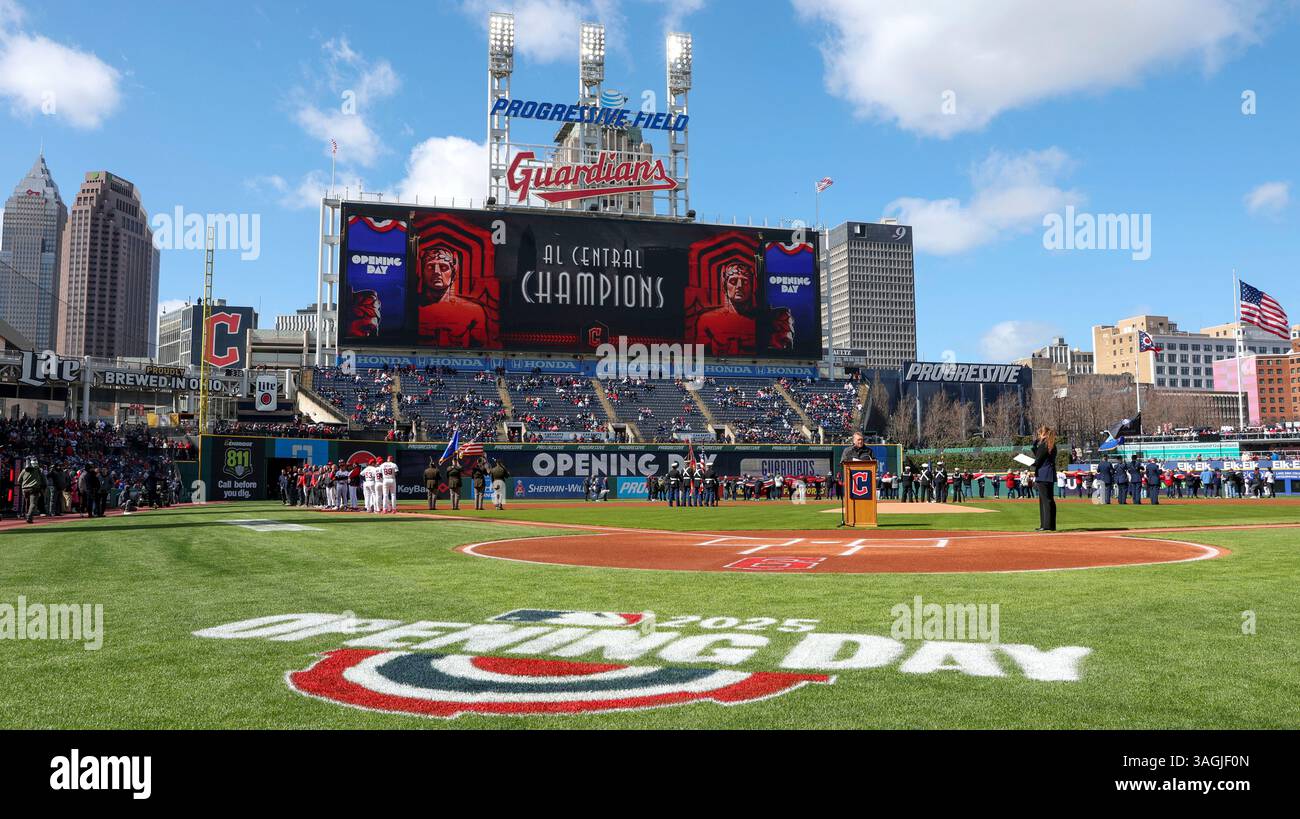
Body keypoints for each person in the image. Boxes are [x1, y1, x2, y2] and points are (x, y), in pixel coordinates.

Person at [1031, 425, 1058, 532]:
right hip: (1050, 475)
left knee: (1044, 501)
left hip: (1042, 475)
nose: (1038, 436)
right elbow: (1039, 454)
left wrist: (1036, 442)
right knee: (1050, 500)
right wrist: (1036, 444)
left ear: (1044, 435)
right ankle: (1051, 525)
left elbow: (1038, 459)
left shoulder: (1044, 445)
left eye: (1039, 434)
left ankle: (1046, 525)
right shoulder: (1052, 445)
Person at [18, 457, 47, 524]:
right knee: (33, 504)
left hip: (24, 489)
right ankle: (29, 517)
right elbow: (44, 480)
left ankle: (26, 514)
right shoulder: (39, 470)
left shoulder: (24, 470)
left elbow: (19, 480)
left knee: (27, 502)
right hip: (34, 488)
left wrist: (24, 484)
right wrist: (43, 487)